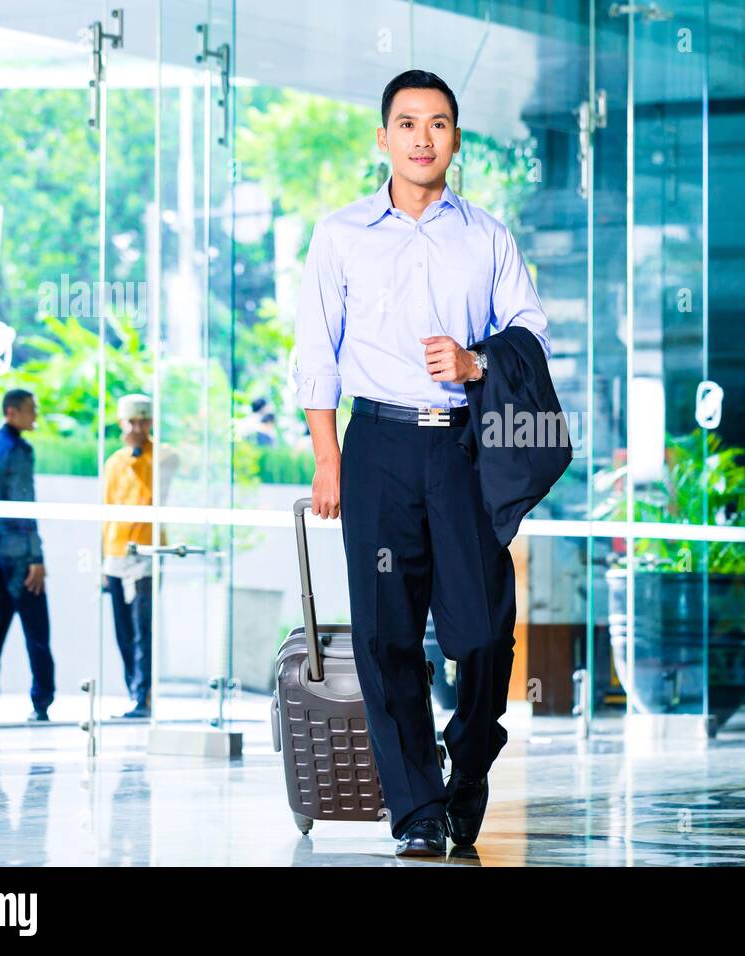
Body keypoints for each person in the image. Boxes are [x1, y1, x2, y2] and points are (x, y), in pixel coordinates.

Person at [293, 69, 552, 857]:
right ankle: (417, 813)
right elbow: (315, 355)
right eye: (407, 124)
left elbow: (531, 331)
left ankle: (466, 771)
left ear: (456, 140)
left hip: (461, 448)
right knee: (385, 636)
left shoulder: (487, 236)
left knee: (480, 636)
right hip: (376, 450)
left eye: (438, 124)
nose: (422, 138)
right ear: (383, 138)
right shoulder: (340, 235)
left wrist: (476, 363)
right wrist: (328, 461)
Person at [0, 389, 55, 722]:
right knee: (36, 630)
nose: (35, 415)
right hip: (18, 555)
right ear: (11, 412)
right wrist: (36, 556)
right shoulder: (19, 450)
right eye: (30, 409)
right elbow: (23, 503)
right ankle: (42, 701)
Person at [102, 393, 176, 720]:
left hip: (147, 554)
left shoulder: (161, 457)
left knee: (141, 628)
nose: (136, 427)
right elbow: (106, 511)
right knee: (122, 629)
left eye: (142, 420)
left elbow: (160, 478)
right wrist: (103, 562)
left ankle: (143, 693)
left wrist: (142, 447)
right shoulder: (114, 462)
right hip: (116, 554)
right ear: (121, 423)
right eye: (131, 421)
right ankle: (133, 691)